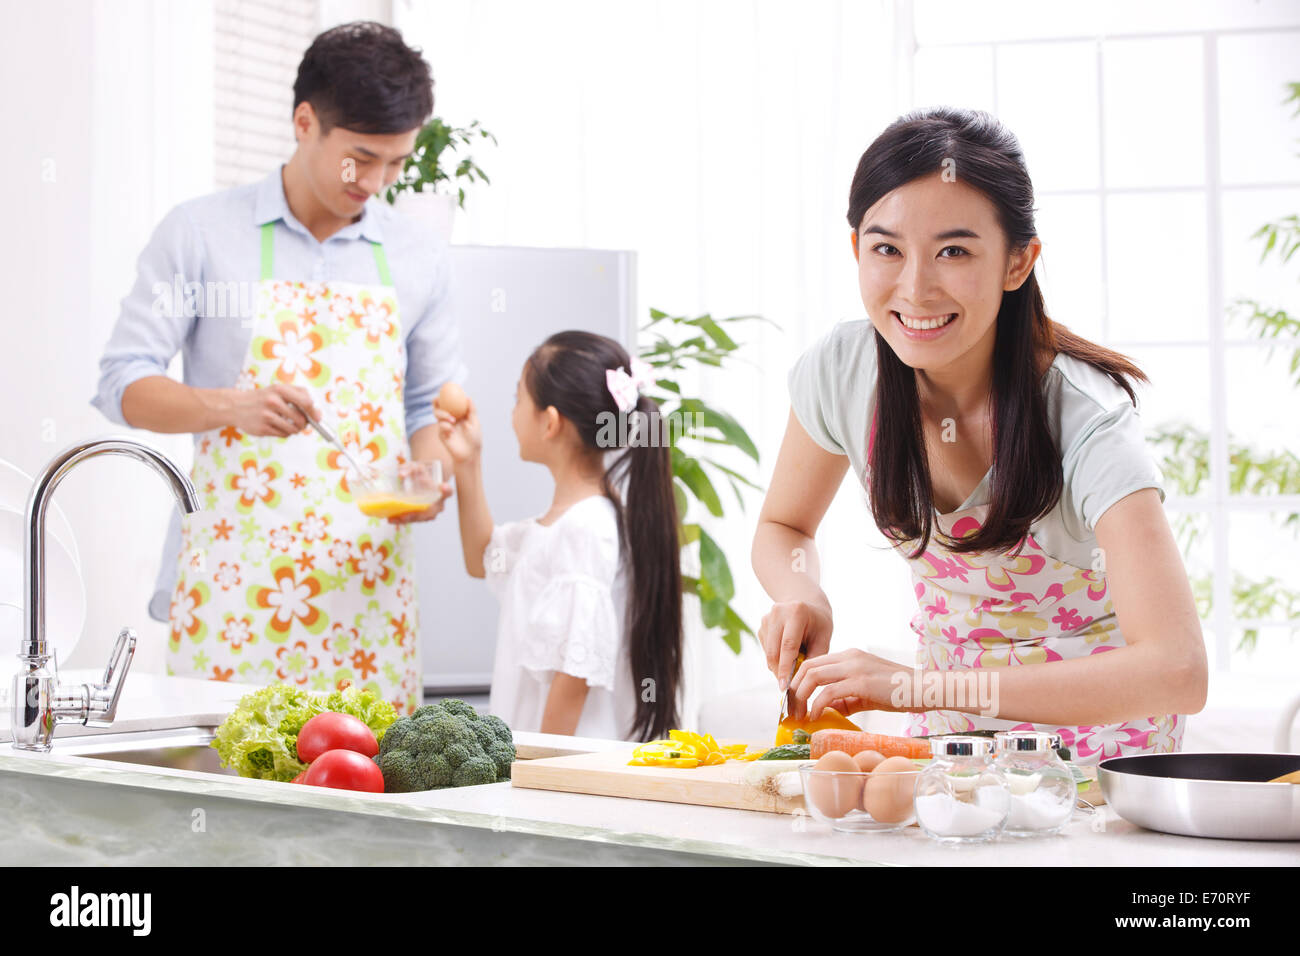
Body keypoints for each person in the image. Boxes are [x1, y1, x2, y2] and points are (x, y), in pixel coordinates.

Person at [751, 106, 1207, 764]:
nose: (916, 288)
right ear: (856, 250)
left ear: (1018, 261)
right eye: (887, 249)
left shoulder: (1085, 419)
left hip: (1102, 757)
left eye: (954, 251)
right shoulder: (842, 371)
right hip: (950, 745)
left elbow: (1178, 671)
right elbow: (784, 527)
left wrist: (915, 687)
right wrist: (801, 594)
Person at [91, 22, 464, 714]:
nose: (377, 182)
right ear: (304, 122)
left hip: (365, 595)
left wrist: (427, 471)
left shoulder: (420, 258)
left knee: (362, 808)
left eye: (395, 163)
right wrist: (230, 407)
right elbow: (123, 385)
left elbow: (426, 408)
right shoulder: (201, 233)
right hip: (235, 587)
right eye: (361, 159)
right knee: (227, 794)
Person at [435, 332, 684, 741]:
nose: (511, 413)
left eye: (519, 399)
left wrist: (535, 781)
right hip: (550, 776)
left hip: (555, 778)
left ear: (549, 422)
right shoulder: (569, 524)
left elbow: (574, 680)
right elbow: (483, 559)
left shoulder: (584, 529)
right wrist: (468, 462)